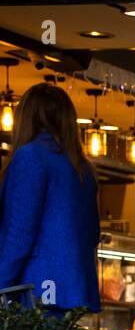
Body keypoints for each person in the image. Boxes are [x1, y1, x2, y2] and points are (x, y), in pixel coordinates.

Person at [0, 82, 101, 313]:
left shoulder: (30, 156)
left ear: (25, 117)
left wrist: (2, 280)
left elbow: (19, 232)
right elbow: (92, 233)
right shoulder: (82, 167)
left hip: (34, 287)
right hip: (72, 288)